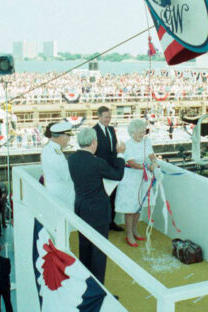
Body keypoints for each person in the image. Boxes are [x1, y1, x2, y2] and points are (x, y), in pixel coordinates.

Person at [67, 128, 125, 283]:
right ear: (94, 142)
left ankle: (84, 283)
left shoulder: (71, 159)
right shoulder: (97, 162)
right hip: (98, 211)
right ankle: (99, 289)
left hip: (81, 208)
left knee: (84, 248)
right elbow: (117, 175)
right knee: (99, 252)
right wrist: (120, 155)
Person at [115, 119, 158, 247]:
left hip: (143, 178)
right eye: (140, 132)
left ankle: (135, 230)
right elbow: (132, 163)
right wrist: (146, 168)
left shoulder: (147, 141)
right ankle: (129, 234)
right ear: (132, 132)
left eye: (144, 131)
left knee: (139, 205)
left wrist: (154, 163)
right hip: (131, 178)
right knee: (130, 207)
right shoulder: (127, 144)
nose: (142, 134)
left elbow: (152, 156)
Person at [93, 106, 124, 232]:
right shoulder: (93, 131)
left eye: (109, 117)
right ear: (99, 116)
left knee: (112, 197)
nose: (108, 119)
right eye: (106, 117)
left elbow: (113, 150)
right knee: (101, 199)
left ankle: (111, 222)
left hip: (112, 169)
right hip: (100, 170)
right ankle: (101, 224)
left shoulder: (111, 129)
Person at [41, 121, 75, 209]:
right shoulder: (55, 153)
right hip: (61, 197)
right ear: (59, 136)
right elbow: (67, 175)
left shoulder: (48, 149)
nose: (69, 139)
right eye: (68, 136)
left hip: (56, 194)